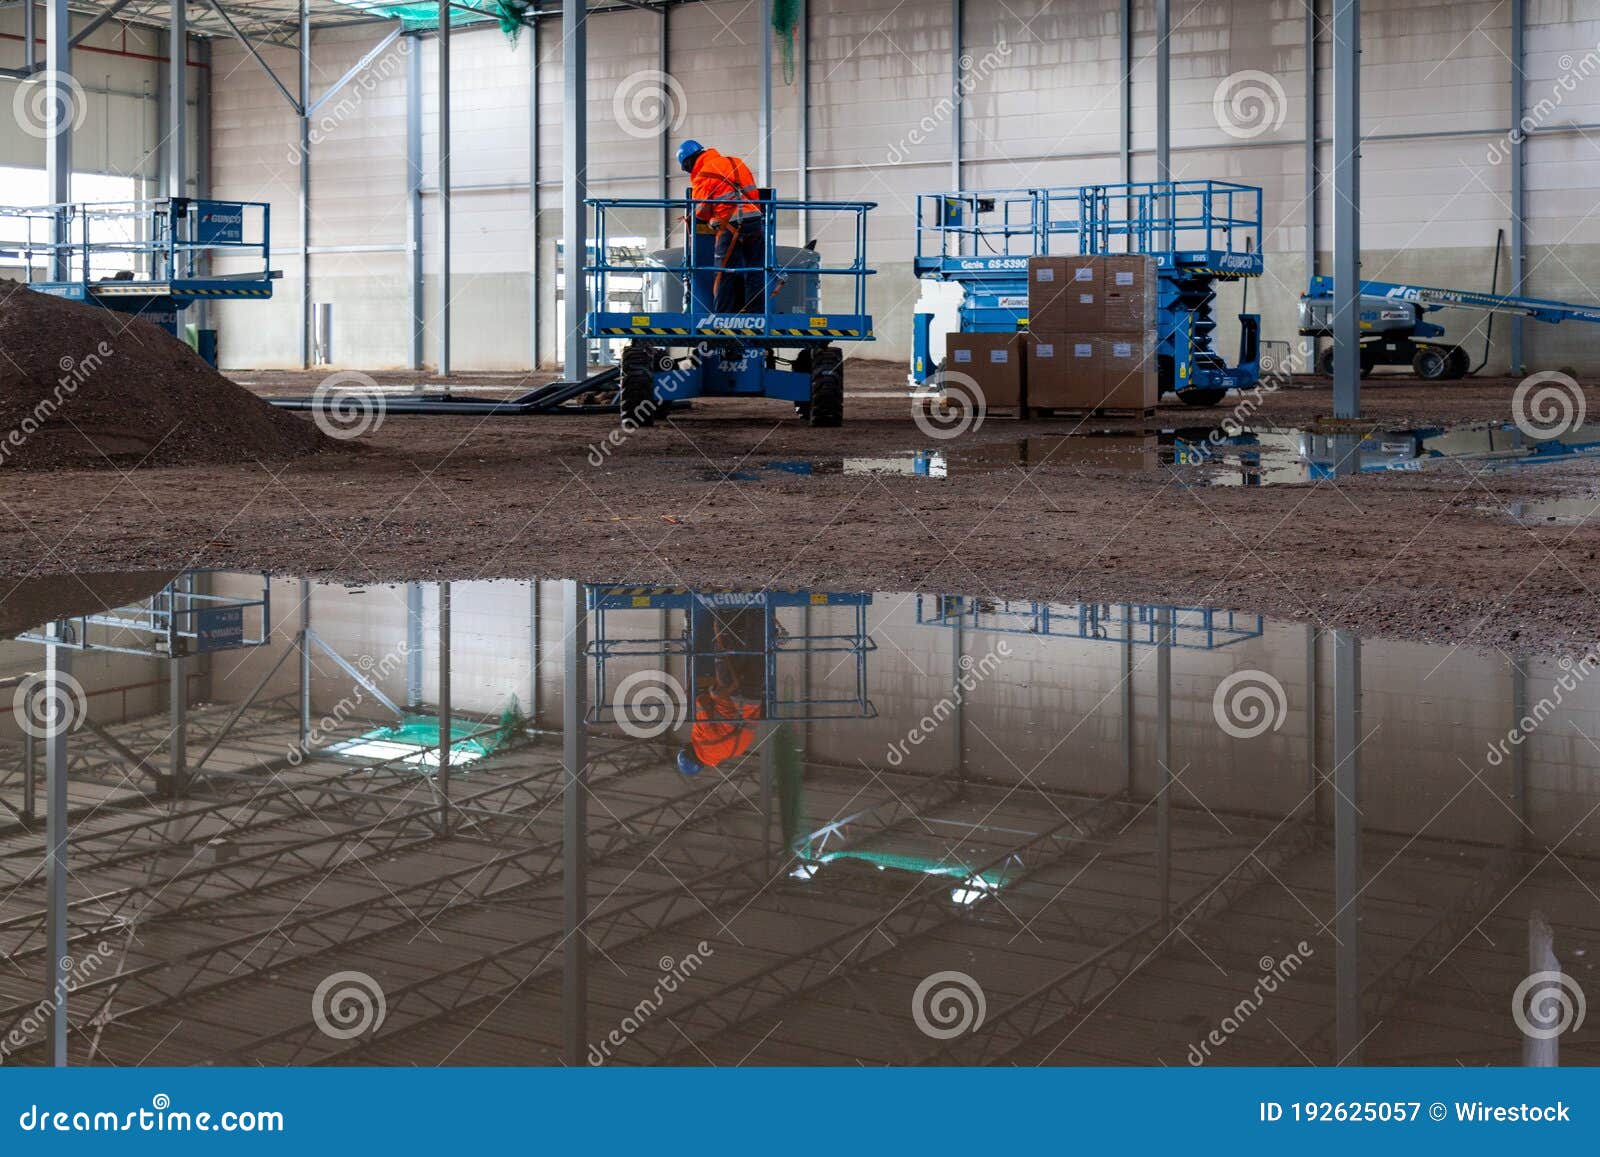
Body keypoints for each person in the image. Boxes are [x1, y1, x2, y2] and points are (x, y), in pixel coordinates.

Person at [676, 604, 768, 777]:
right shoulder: (703, 744)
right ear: (689, 753)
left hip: (753, 697)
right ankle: (728, 610)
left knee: (756, 653)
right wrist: (700, 693)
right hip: (731, 693)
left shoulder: (733, 752)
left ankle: (757, 612)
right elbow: (702, 706)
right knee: (725, 648)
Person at [677, 139, 765, 315]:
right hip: (754, 220)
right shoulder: (735, 162)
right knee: (756, 270)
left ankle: (723, 317)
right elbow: (754, 195)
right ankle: (755, 314)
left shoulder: (703, 174)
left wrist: (710, 219)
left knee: (723, 273)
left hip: (729, 225)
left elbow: (701, 211)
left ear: (689, 162)